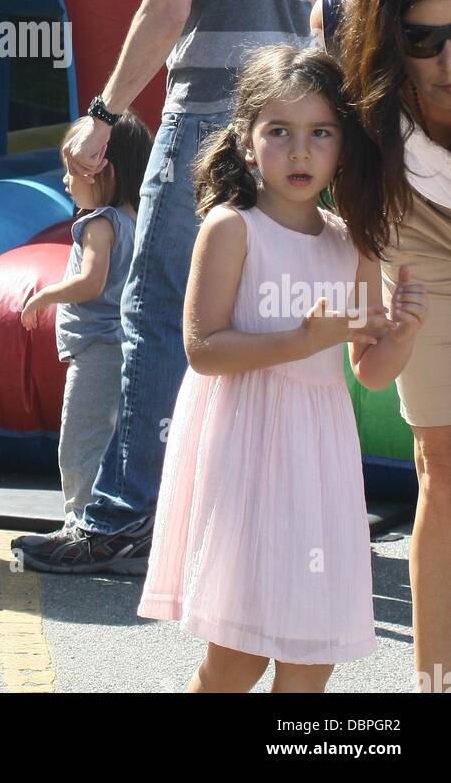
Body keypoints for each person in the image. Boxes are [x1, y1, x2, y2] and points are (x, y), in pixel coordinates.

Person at [23, 0, 328, 574]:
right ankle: (236, 517)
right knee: (247, 317)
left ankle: (121, 518)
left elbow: (169, 3)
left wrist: (106, 113)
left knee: (157, 310)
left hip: (205, 118)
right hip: (283, 122)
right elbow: (304, 12)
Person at [138, 43, 426, 692]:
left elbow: (369, 370)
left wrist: (401, 337)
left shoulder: (352, 244)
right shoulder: (231, 229)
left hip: (319, 463)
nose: (301, 152)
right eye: (280, 133)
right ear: (245, 142)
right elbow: (203, 348)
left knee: (311, 655)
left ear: (343, 144)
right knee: (237, 656)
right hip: (247, 457)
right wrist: (301, 338)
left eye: (320, 132)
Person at [330, 0, 451, 691]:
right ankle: (435, 682)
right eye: (422, 39)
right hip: (419, 237)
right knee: (442, 467)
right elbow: (365, 364)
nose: (446, 57)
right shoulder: (364, 126)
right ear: (386, 36)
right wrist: (378, 333)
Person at [17, 112, 152, 546]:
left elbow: (91, 281)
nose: (65, 181)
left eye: (72, 171)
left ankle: (81, 525)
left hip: (98, 350)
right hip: (125, 348)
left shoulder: (100, 223)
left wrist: (45, 295)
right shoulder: (137, 220)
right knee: (112, 441)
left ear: (103, 172)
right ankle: (114, 521)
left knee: (79, 441)